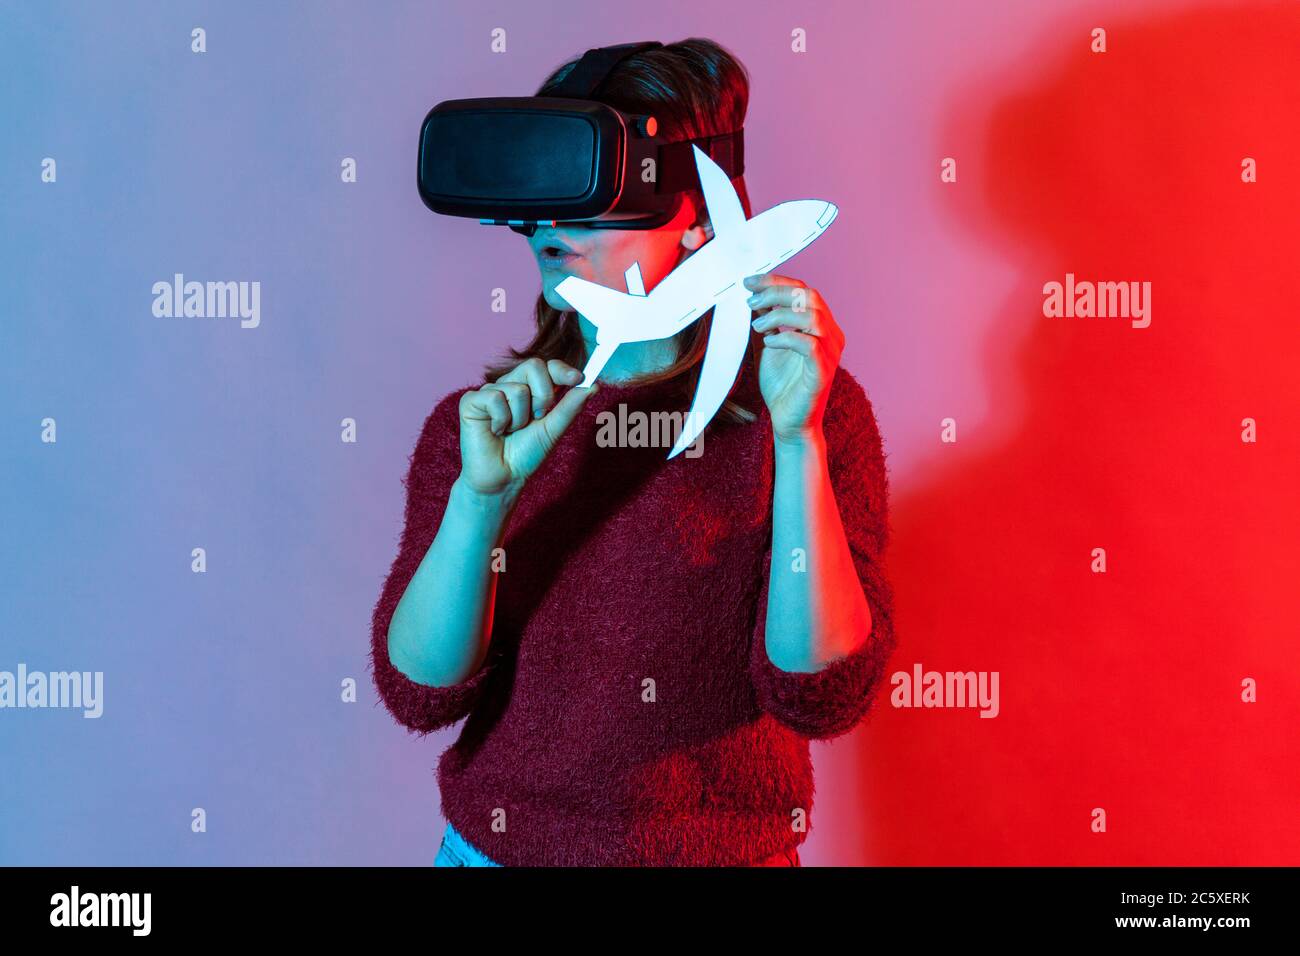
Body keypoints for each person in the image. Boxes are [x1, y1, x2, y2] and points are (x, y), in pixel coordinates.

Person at [370, 37, 896, 867]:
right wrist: (480, 503)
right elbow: (421, 691)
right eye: (541, 192)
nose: (550, 223)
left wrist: (796, 441)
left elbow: (817, 692)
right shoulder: (481, 430)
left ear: (698, 217)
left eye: (589, 187)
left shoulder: (812, 414)